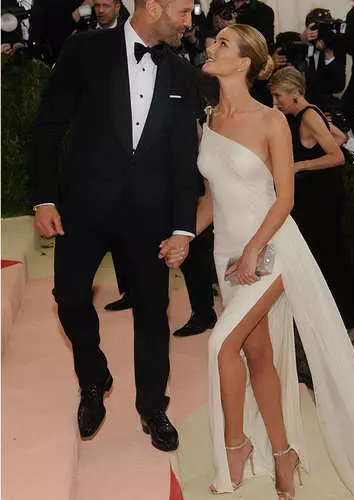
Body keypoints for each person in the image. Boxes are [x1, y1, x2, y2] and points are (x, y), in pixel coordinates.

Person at [161, 23, 354, 499]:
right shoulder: (209, 119)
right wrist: (186, 235)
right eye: (214, 42)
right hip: (226, 254)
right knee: (258, 359)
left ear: (244, 63)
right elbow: (214, 198)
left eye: (223, 44)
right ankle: (283, 454)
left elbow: (284, 199)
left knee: (219, 347)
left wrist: (254, 250)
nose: (211, 47)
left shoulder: (271, 121)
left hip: (273, 251)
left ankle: (234, 449)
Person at [29, 0, 200, 450]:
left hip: (149, 217)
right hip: (83, 210)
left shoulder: (183, 73)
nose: (189, 21)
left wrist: (184, 227)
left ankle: (152, 407)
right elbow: (48, 127)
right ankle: (93, 376)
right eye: (183, 11)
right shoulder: (85, 50)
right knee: (68, 296)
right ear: (155, 6)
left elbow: (185, 158)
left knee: (153, 313)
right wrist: (44, 198)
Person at [268, 66, 354, 416]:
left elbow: (336, 156)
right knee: (331, 260)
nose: (275, 102)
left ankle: (340, 325)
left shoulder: (307, 115)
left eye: (278, 96)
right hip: (316, 201)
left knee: (323, 262)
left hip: (318, 202)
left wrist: (299, 166)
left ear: (293, 92)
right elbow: (336, 140)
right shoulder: (311, 113)